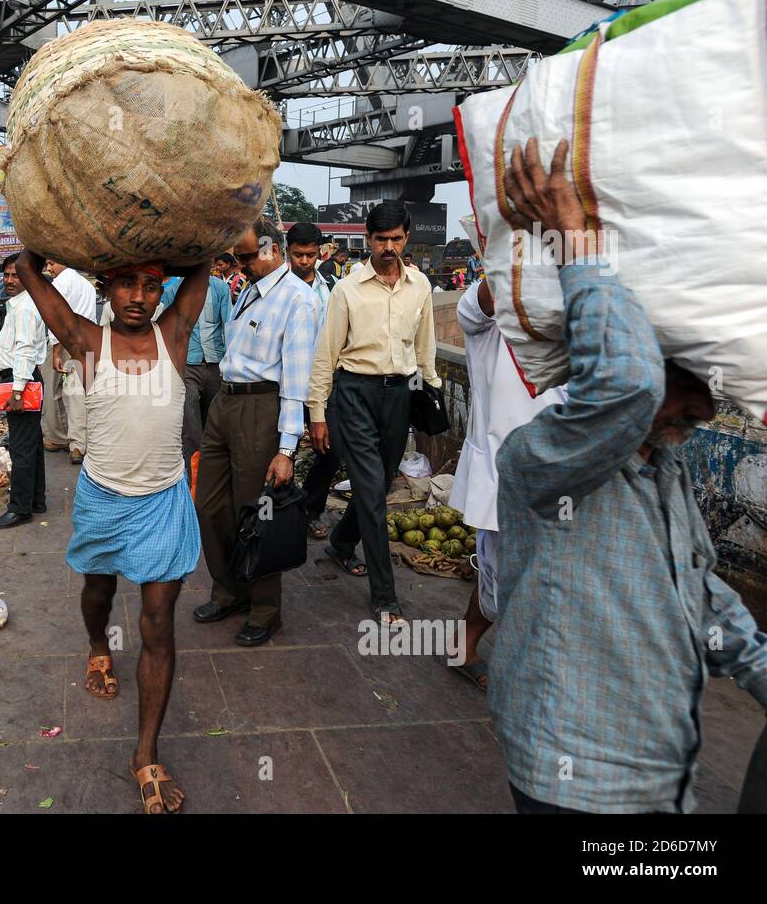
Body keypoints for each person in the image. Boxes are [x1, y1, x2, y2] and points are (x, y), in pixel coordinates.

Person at [490, 136, 767, 814]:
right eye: (693, 384)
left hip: (659, 781)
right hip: (578, 779)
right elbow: (627, 385)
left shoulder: (665, 466)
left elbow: (700, 595)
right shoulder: (542, 462)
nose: (705, 405)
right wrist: (571, 241)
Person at [16, 249, 209, 814]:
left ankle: (144, 752)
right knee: (97, 591)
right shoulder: (87, 342)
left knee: (158, 625)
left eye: (150, 287)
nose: (138, 298)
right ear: (107, 288)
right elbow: (31, 274)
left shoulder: (175, 335)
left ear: (162, 292)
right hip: (103, 497)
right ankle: (98, 645)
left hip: (164, 502)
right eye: (126, 285)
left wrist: (193, 238)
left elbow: (205, 260)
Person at [307, 199, 439, 627]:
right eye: (380, 239)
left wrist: (431, 389)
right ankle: (386, 598)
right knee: (370, 491)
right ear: (368, 238)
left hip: (399, 396)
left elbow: (425, 347)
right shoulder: (346, 289)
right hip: (354, 394)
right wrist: (317, 412)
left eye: (395, 239)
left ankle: (342, 543)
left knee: (378, 486)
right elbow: (326, 354)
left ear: (407, 238)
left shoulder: (419, 286)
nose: (388, 247)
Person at [193, 218, 319, 647]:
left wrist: (286, 449)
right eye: (237, 258)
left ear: (272, 247)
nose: (241, 265)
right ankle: (228, 590)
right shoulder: (247, 291)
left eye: (249, 256)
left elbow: (297, 383)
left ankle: (265, 609)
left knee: (257, 512)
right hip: (225, 403)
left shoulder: (297, 300)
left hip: (262, 408)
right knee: (210, 506)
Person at [446, 277, 564, 690]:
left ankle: (475, 645)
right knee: (503, 582)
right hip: (504, 478)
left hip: (565, 477)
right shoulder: (487, 319)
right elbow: (486, 298)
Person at [286, 223, 342, 539]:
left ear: (319, 252)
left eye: (309, 255)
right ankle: (277, 511)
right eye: (298, 255)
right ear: (287, 251)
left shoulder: (332, 287)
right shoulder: (276, 288)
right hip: (286, 387)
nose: (304, 261)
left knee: (332, 451)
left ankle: (309, 507)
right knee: (284, 452)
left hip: (323, 383)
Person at [0, 254, 49, 529]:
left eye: (16, 275)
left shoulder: (25, 308)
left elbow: (24, 349)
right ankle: (36, 499)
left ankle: (20, 508)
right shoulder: (23, 304)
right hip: (23, 378)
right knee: (32, 442)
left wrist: (16, 391)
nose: (10, 280)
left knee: (22, 447)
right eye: (7, 274)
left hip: (19, 380)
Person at [159, 265, 231, 478]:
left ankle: (211, 475)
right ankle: (192, 476)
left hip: (214, 362)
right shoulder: (174, 289)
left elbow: (228, 325)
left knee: (213, 422)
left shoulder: (220, 289)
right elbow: (168, 326)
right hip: (187, 363)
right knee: (190, 425)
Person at [41, 259, 97, 466]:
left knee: (54, 391)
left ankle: (60, 439)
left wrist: (56, 351)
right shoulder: (86, 285)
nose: (49, 269)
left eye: (51, 263)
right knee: (78, 393)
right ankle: (79, 443)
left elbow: (57, 321)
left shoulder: (60, 284)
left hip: (65, 343)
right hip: (87, 341)